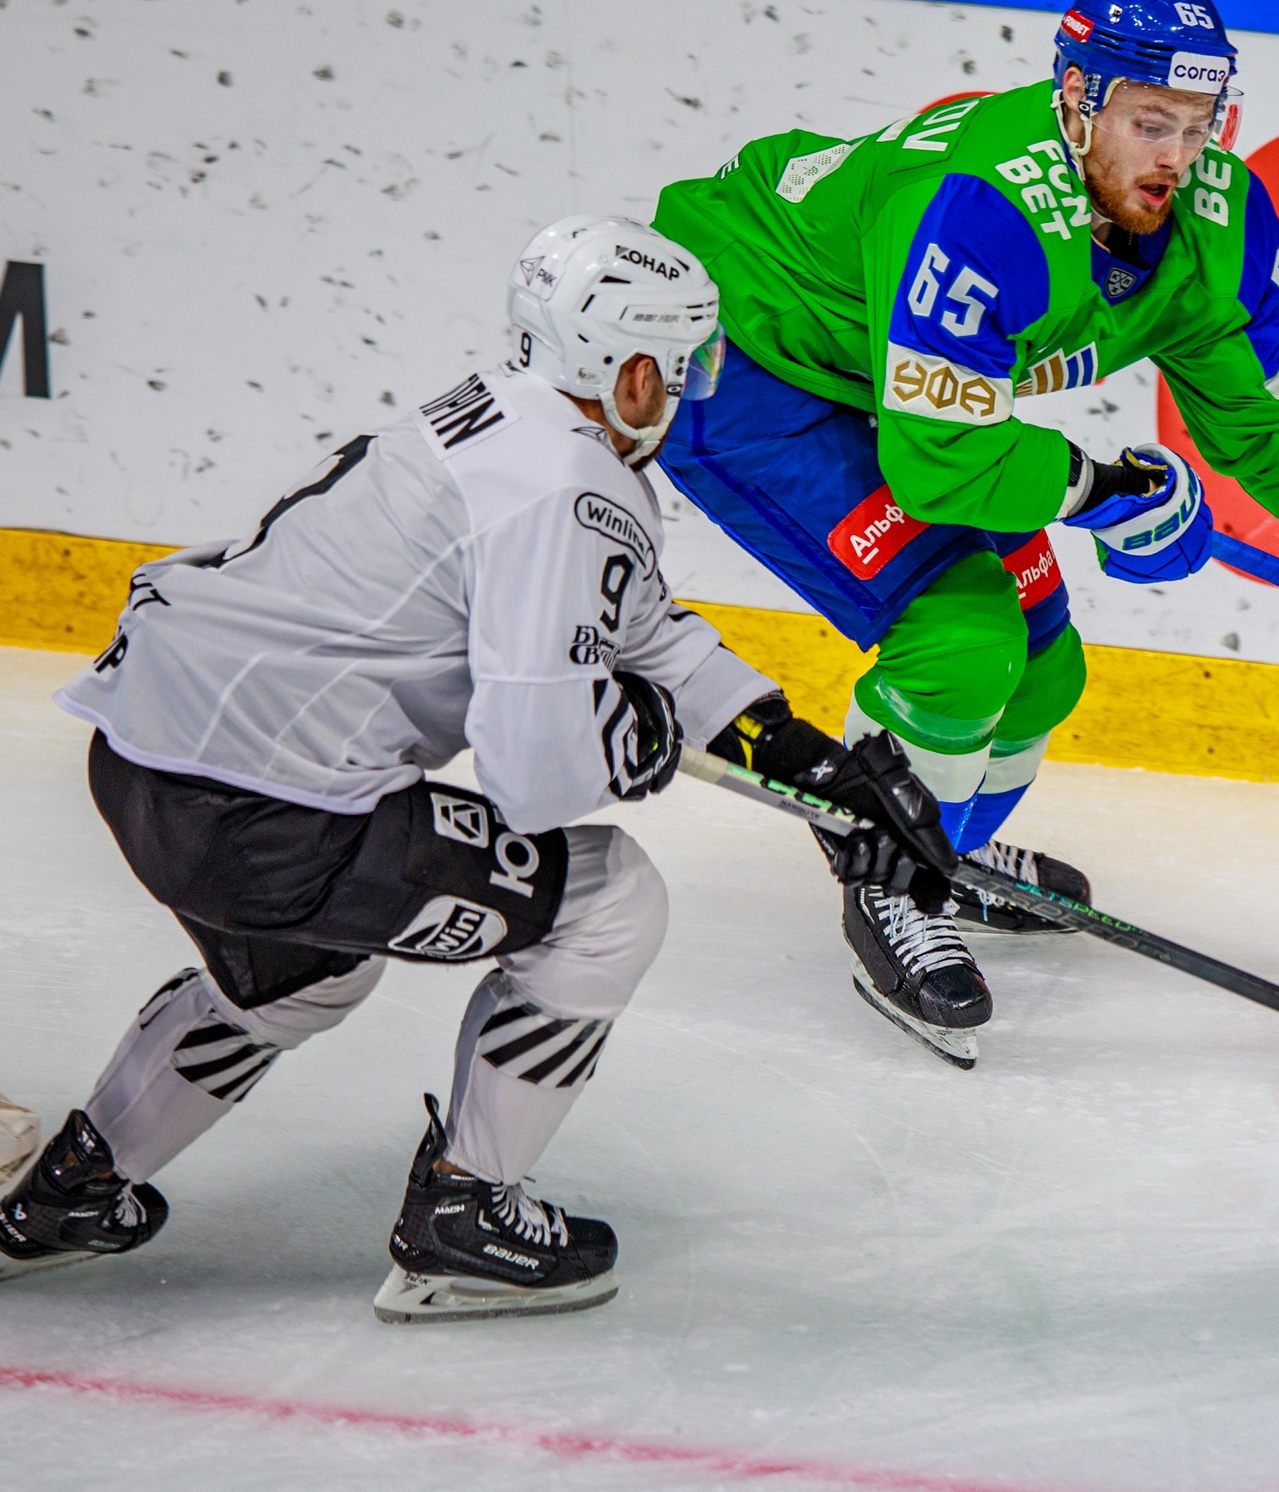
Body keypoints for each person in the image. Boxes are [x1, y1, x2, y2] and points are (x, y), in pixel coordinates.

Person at [0, 216, 953, 1321]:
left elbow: (641, 628)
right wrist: (637, 732)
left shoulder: (503, 420)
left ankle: (71, 1191)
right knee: (607, 901)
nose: (691, 388)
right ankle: (467, 1214)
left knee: (306, 970)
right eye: (683, 364)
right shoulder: (567, 489)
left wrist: (823, 777)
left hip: (145, 763)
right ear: (632, 368)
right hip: (271, 816)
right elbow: (539, 773)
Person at [650, 0, 1279, 1069]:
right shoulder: (988, 208)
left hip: (884, 383)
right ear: (1075, 98)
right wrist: (1102, 493)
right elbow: (941, 464)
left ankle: (943, 850)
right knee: (961, 640)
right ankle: (897, 878)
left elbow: (1264, 422)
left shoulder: (1216, 217)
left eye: (1199, 124)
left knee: (1045, 664)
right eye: (1150, 121)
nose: (1176, 155)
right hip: (743, 356)